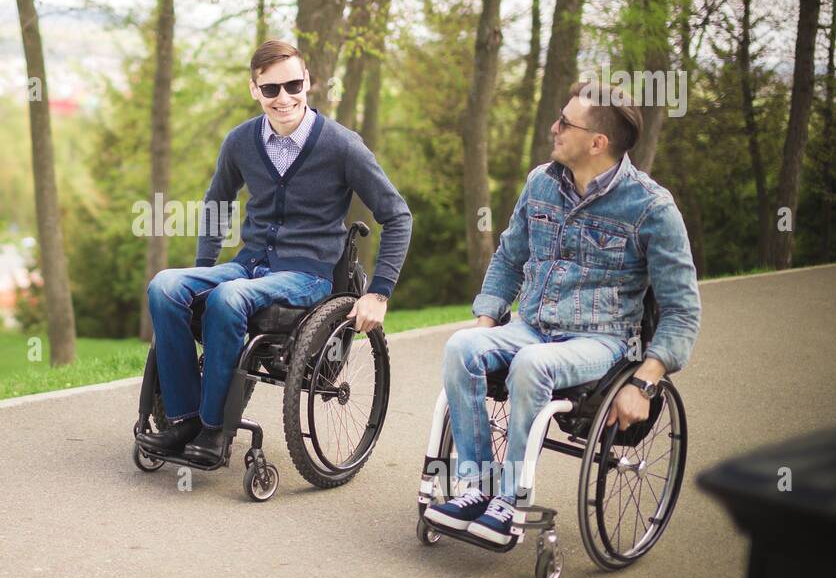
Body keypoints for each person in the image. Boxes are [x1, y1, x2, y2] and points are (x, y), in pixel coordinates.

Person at [423, 80, 701, 544]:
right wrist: (486, 326)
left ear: (598, 142)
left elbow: (681, 310)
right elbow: (509, 258)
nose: (554, 128)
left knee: (533, 365)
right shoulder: (541, 183)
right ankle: (477, 486)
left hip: (601, 342)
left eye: (565, 123)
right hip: (532, 326)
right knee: (461, 346)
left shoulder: (651, 207)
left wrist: (644, 383)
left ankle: (510, 499)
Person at [142, 39, 413, 466]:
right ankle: (185, 420)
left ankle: (215, 431)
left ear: (308, 82)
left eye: (293, 85)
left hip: (307, 275)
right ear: (255, 90)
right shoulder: (241, 142)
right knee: (165, 286)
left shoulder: (342, 145)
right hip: (248, 266)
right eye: (271, 89)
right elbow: (217, 205)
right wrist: (202, 272)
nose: (284, 98)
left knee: (229, 298)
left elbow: (398, 215)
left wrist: (379, 293)